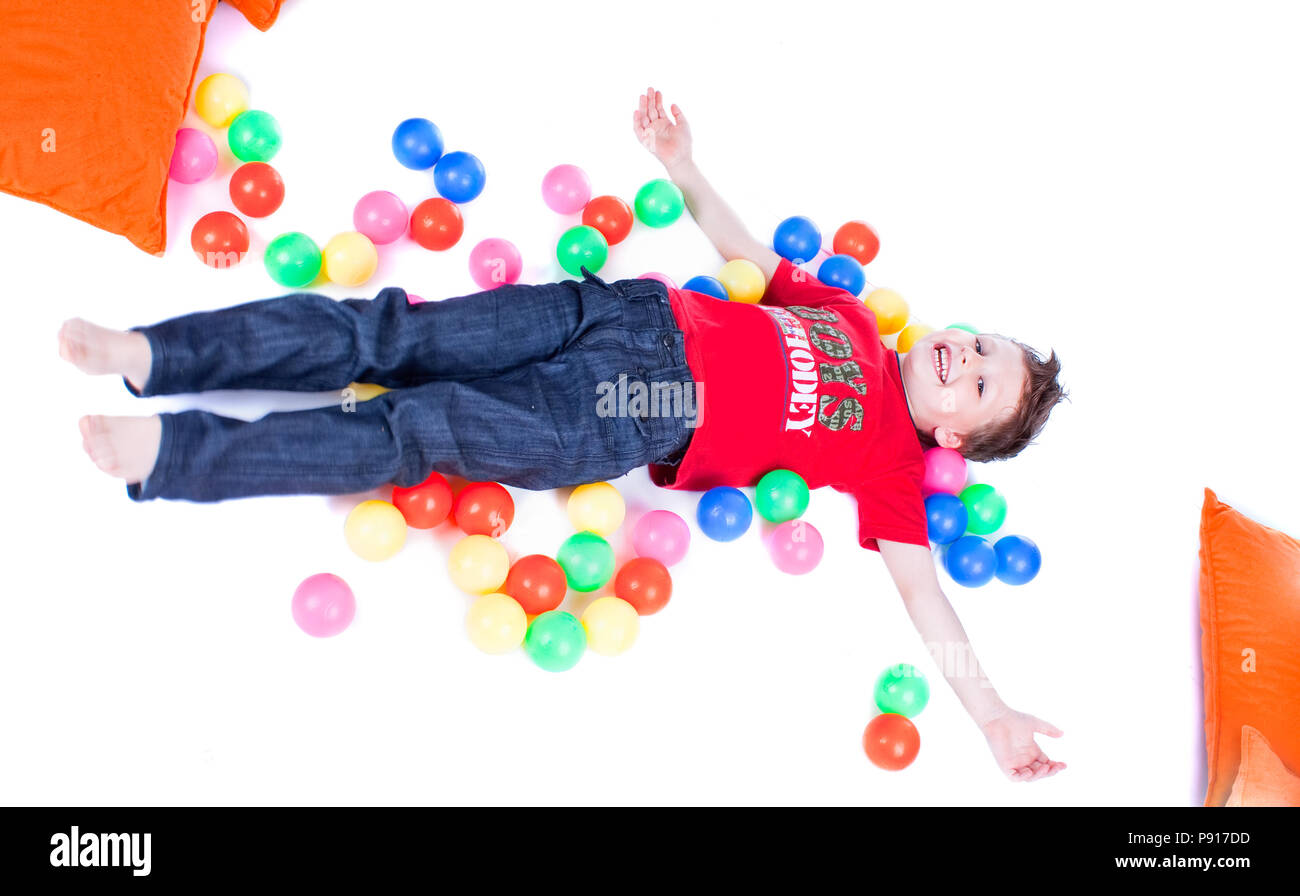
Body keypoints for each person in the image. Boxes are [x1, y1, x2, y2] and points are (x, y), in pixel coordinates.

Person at [57, 87, 1068, 781]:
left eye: (982, 384)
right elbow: (750, 259)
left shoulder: (888, 459)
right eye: (979, 344)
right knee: (393, 331)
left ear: (951, 435)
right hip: (625, 310)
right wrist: (683, 164)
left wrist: (990, 713)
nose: (966, 358)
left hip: (648, 412)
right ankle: (153, 350)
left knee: (417, 428)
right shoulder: (850, 318)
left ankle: (178, 454)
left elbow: (923, 596)